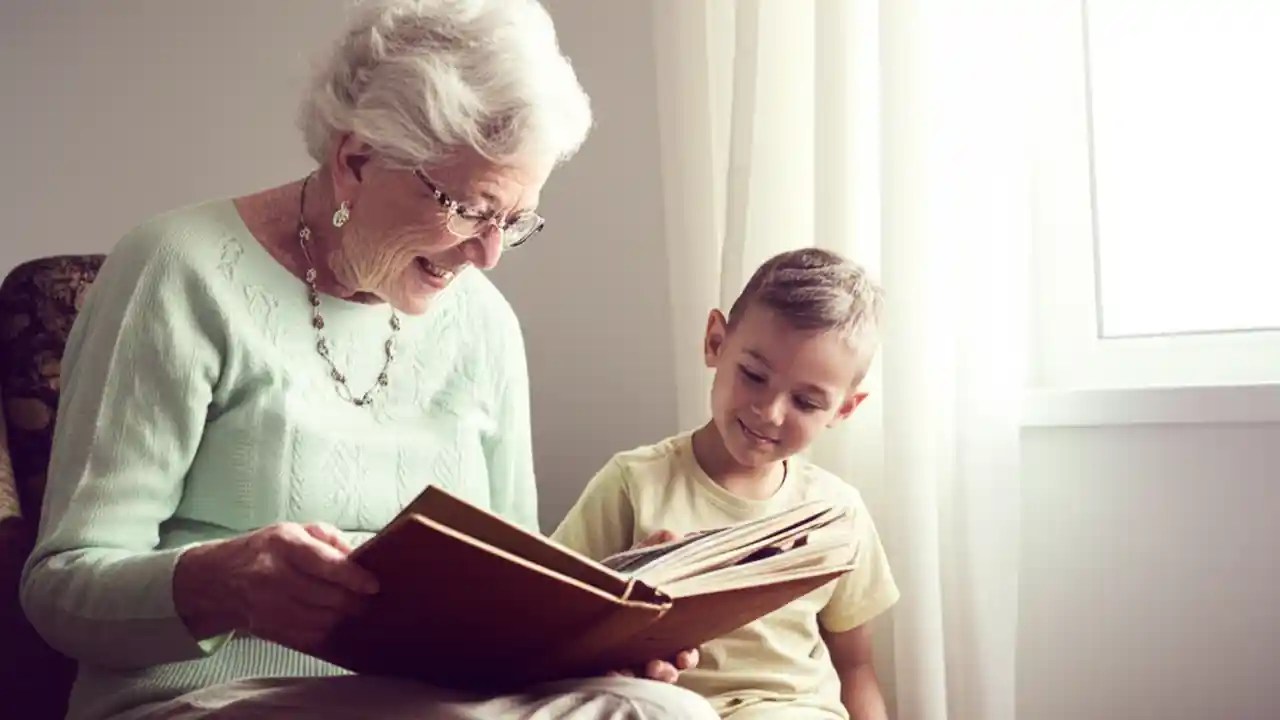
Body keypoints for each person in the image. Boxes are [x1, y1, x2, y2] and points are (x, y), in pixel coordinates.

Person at [18, 1, 714, 719]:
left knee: (665, 710)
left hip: (439, 699)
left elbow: (510, 589)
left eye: (514, 220)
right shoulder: (178, 271)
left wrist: (601, 633)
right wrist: (218, 585)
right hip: (203, 699)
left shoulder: (485, 325)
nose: (490, 254)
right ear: (356, 161)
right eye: (472, 209)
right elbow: (60, 593)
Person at [552, 248, 900, 720]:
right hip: (661, 704)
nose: (770, 412)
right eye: (754, 376)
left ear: (844, 410)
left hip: (790, 709)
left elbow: (856, 666)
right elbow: (555, 621)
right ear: (716, 342)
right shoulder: (635, 482)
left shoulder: (838, 512)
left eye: (806, 401)